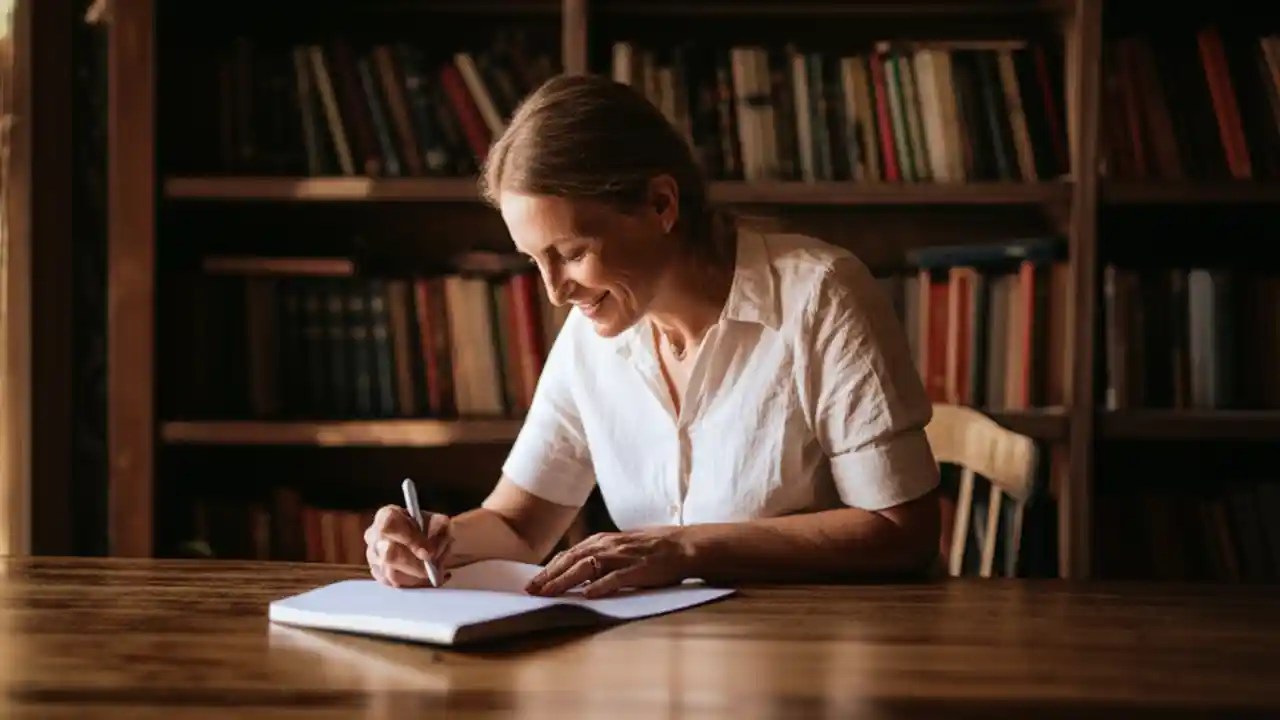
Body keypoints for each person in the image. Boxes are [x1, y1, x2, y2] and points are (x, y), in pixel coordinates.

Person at [364, 74, 940, 598]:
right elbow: (519, 525)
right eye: (535, 261)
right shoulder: (592, 335)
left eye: (571, 253)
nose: (554, 291)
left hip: (817, 655)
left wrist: (685, 548)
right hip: (658, 662)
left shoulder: (821, 295)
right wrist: (436, 543)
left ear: (661, 203)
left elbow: (903, 531)